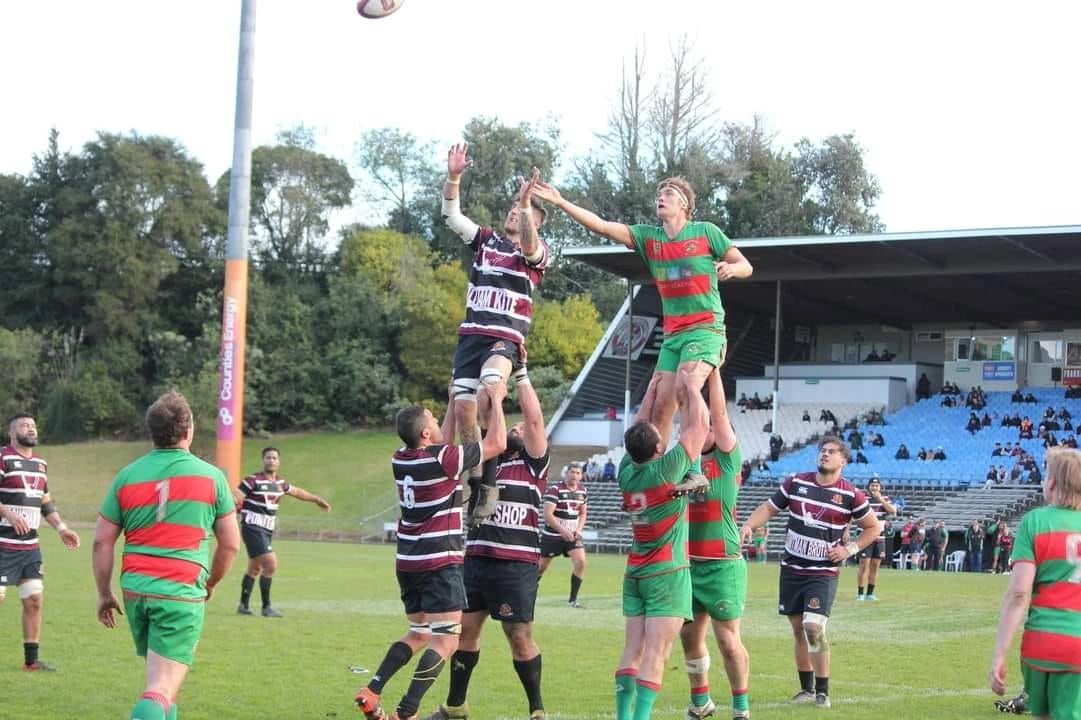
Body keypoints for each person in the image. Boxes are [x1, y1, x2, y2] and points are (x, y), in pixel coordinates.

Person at [532, 175, 752, 456]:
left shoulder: (706, 232)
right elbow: (602, 227)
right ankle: (655, 473)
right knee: (660, 407)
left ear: (684, 204)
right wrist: (561, 201)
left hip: (705, 329)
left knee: (688, 386)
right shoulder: (650, 238)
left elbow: (745, 264)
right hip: (673, 334)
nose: (661, 197)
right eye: (659, 193)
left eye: (669, 193)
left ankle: (691, 468)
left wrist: (733, 269)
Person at [356, 382, 509, 720]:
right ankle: (406, 712)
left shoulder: (401, 458)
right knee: (446, 640)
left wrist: (454, 400)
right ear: (426, 432)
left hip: (408, 560)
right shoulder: (443, 458)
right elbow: (496, 443)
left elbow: (443, 443)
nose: (439, 421)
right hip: (440, 560)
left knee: (419, 632)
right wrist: (496, 401)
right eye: (433, 419)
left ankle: (372, 689)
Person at [92, 391, 240, 719]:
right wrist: (211, 583)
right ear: (189, 430)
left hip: (136, 590)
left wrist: (104, 594)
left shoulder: (127, 476)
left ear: (152, 431)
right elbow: (230, 545)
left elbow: (102, 542)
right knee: (161, 687)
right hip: (180, 590)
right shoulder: (213, 478)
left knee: (163, 685)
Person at [427, 370, 550, 720]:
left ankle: (537, 709)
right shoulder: (483, 461)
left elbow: (535, 419)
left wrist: (514, 385)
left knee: (519, 635)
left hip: (516, 564)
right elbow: (470, 421)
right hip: (477, 559)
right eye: (513, 427)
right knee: (464, 632)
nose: (518, 428)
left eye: (522, 430)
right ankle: (456, 707)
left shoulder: (533, 465)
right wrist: (473, 390)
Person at [442, 143, 549, 526]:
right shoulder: (486, 241)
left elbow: (533, 245)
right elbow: (452, 216)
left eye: (523, 213)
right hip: (471, 335)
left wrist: (526, 206)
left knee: (492, 386)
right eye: (514, 209)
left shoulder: (536, 255)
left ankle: (489, 482)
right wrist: (454, 176)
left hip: (505, 337)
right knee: (463, 407)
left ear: (535, 222)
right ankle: (478, 477)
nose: (514, 213)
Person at [739, 436, 881, 709]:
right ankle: (806, 689)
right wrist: (749, 525)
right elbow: (770, 508)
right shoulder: (796, 482)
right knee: (797, 630)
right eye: (823, 451)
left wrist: (848, 550)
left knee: (813, 627)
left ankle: (823, 692)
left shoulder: (851, 494)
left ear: (844, 461)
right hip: (792, 569)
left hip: (823, 573)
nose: (825, 455)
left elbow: (874, 528)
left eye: (832, 452)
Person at [613, 370, 710, 720]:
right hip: (666, 572)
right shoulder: (665, 471)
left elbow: (639, 426)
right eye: (660, 439)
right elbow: (698, 428)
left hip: (636, 570)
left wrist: (651, 393)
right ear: (658, 448)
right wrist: (693, 391)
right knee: (657, 654)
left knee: (632, 651)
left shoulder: (627, 471)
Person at [989, 447, 1081, 719]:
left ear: (1051, 483)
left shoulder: (1035, 522)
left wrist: (999, 655)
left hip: (1040, 642)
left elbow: (1019, 594)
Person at [681, 369, 752, 720]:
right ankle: (701, 703)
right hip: (687, 565)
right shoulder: (685, 461)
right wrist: (684, 386)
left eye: (709, 425)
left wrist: (713, 374)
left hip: (722, 563)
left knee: (727, 641)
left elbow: (718, 413)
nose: (704, 426)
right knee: (690, 638)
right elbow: (688, 417)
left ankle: (741, 708)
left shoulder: (726, 460)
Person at [0, 413, 81, 671]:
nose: (31, 429)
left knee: (34, 600)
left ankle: (31, 662)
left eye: (33, 425)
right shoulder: (3, 457)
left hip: (30, 547)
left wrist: (62, 528)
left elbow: (45, 500)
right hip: (3, 543)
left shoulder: (41, 464)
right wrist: (8, 513)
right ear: (12, 433)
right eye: (24, 425)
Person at [234, 446, 332, 617]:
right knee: (271, 563)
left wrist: (316, 499)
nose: (271, 460)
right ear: (263, 460)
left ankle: (243, 606)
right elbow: (235, 495)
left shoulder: (280, 484)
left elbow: (297, 492)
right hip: (252, 527)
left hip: (266, 530)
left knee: (255, 567)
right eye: (268, 457)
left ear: (278, 462)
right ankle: (266, 607)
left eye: (274, 458)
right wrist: (232, 507)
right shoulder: (252, 480)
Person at [538, 463, 589, 608]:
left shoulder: (583, 491)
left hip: (572, 535)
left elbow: (583, 513)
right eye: (572, 472)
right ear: (566, 473)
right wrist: (562, 531)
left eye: (578, 473)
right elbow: (548, 515)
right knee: (541, 567)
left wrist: (578, 529)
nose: (574, 475)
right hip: (553, 535)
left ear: (581, 476)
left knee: (581, 562)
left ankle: (573, 600)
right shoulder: (555, 490)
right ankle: (527, 592)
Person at [856, 476, 897, 600]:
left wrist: (881, 500)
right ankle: (860, 594)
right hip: (865, 536)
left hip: (880, 538)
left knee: (875, 566)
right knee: (864, 565)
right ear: (868, 487)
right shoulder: (863, 499)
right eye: (872, 485)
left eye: (877, 486)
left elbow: (893, 511)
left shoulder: (885, 499)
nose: (874, 488)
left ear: (880, 487)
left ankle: (870, 593)